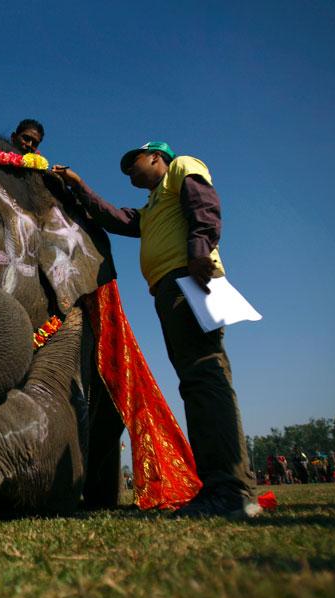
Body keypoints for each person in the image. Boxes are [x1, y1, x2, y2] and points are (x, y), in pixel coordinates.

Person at [53, 141, 260, 518]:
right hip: (170, 288)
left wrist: (198, 251)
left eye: (133, 162)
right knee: (194, 380)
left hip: (189, 279)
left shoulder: (182, 167)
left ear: (156, 157)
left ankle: (230, 489)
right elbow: (113, 217)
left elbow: (205, 205)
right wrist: (77, 186)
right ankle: (225, 486)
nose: (129, 172)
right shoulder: (151, 209)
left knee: (203, 375)